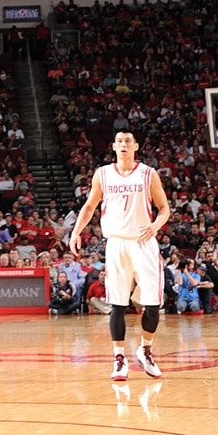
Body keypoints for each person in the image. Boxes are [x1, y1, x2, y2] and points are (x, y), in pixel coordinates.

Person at [69, 131, 170, 383]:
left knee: (152, 304)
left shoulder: (148, 173)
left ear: (135, 146)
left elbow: (164, 208)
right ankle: (119, 358)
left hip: (143, 242)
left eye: (128, 141)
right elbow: (89, 207)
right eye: (119, 141)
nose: (124, 144)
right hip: (115, 244)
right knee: (118, 304)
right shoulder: (102, 174)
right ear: (113, 146)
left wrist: (155, 226)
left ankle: (145, 350)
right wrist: (75, 232)